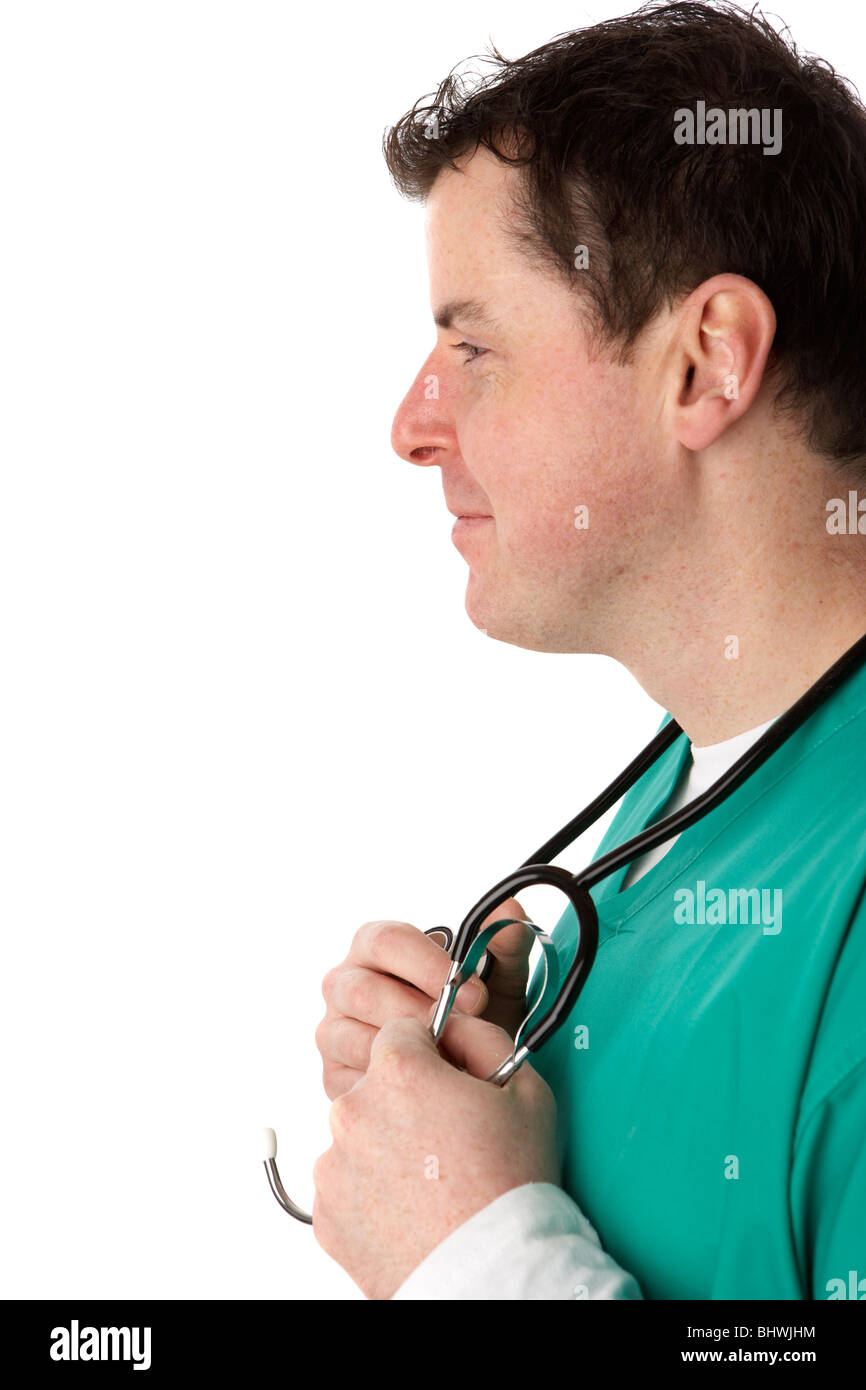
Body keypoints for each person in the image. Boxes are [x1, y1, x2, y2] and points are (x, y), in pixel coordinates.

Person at [309, 1, 866, 1299]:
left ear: (703, 366)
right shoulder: (664, 818)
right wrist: (439, 1115)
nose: (410, 424)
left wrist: (477, 1254)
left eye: (473, 346)